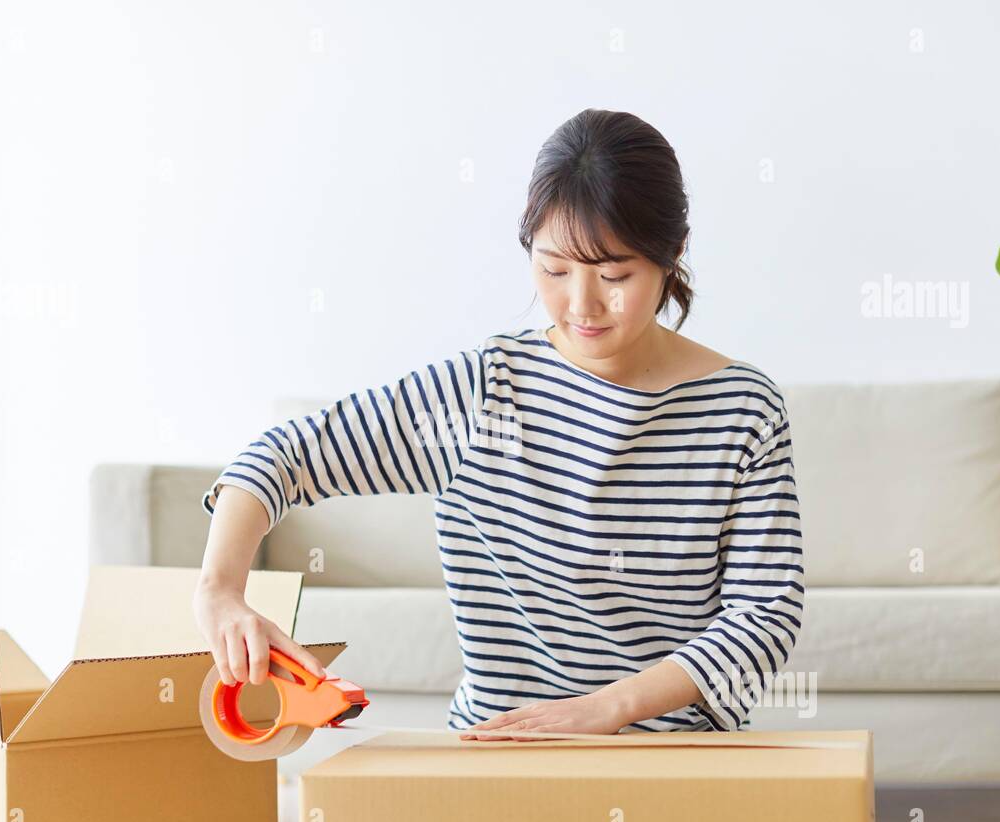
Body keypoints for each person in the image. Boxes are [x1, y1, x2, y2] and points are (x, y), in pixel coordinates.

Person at [192, 108, 803, 741]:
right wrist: (220, 589)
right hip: (499, 751)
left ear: (670, 255)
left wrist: (608, 708)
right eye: (555, 270)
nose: (581, 304)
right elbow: (283, 456)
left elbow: (766, 615)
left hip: (673, 755)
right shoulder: (482, 395)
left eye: (615, 275)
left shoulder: (742, 410)